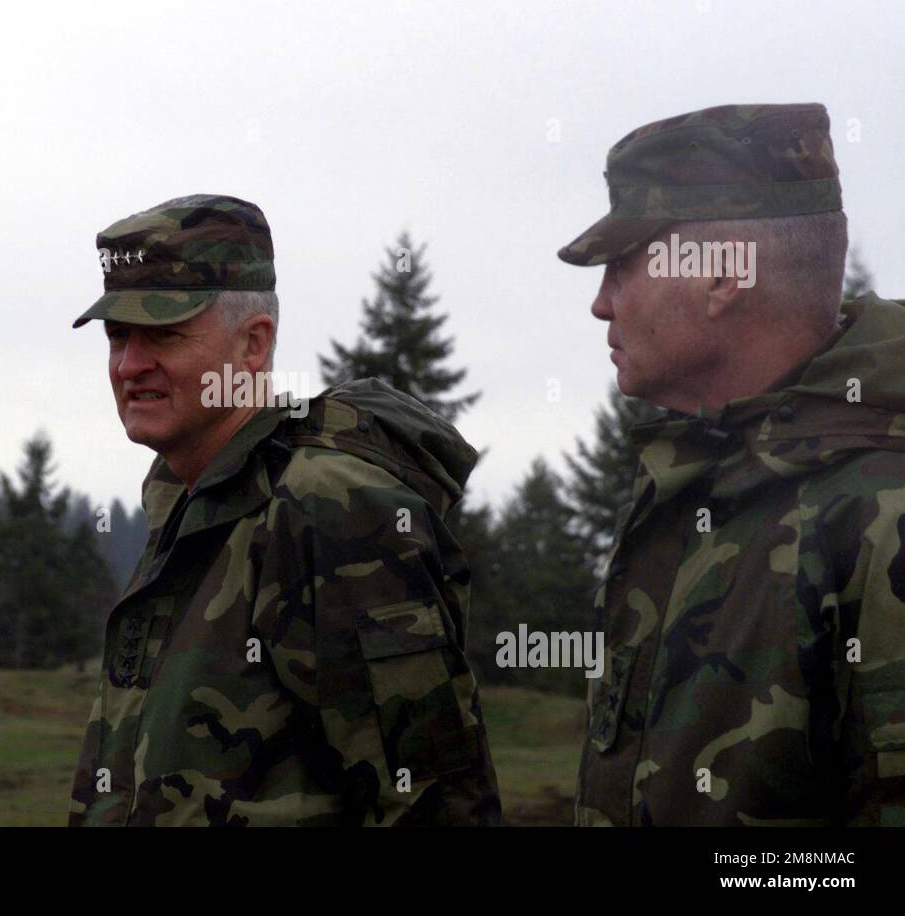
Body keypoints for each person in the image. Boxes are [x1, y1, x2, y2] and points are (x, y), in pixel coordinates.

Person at [66, 193, 500, 825]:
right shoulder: (189, 505)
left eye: (163, 334)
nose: (130, 365)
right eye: (118, 336)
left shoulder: (325, 507)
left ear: (253, 346)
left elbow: (431, 806)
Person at [558, 103, 905, 825]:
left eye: (623, 267)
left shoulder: (881, 510)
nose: (599, 304)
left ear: (721, 278)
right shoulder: (696, 488)